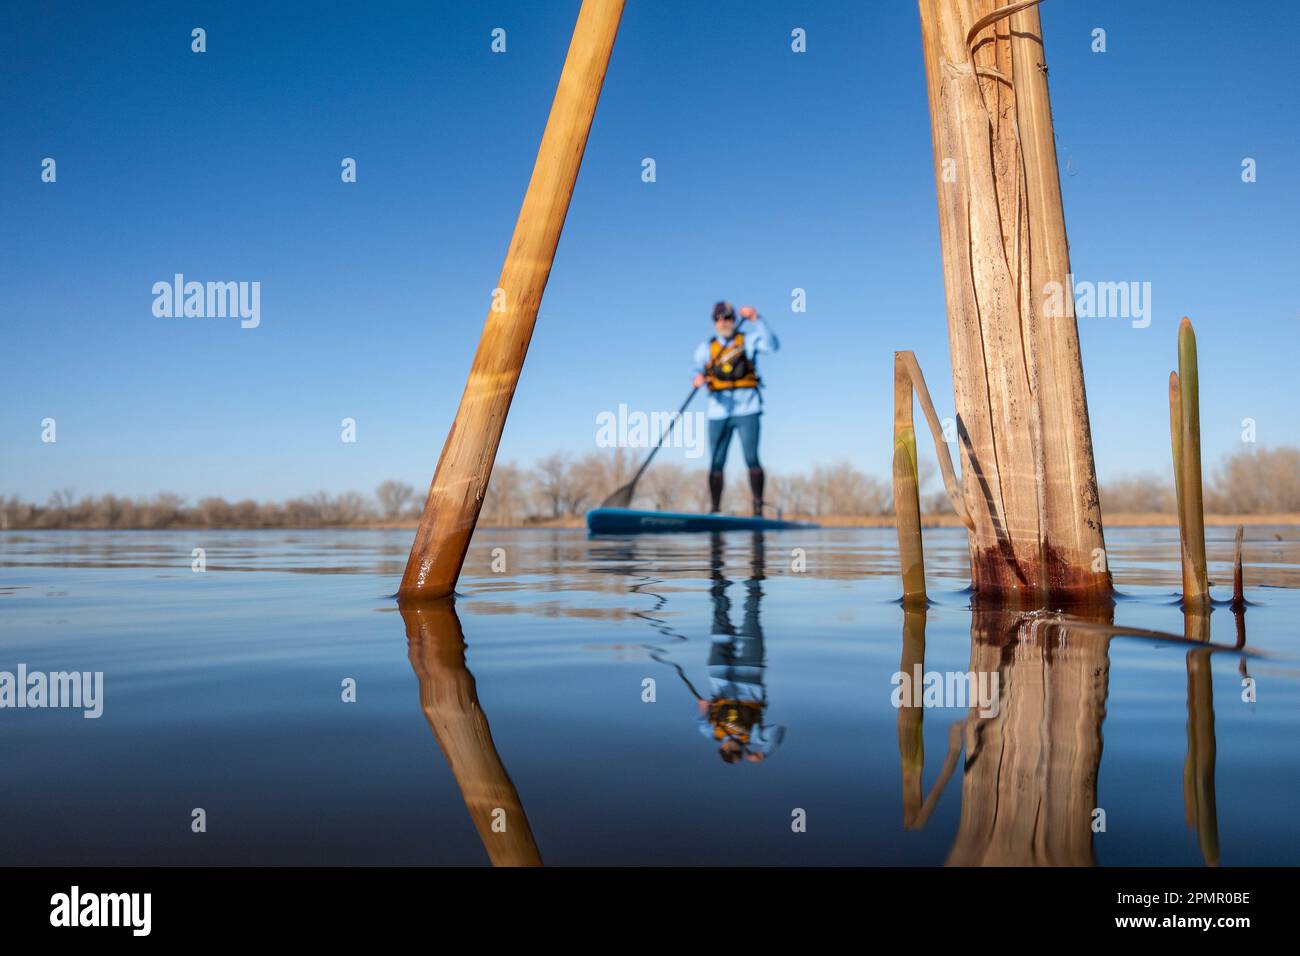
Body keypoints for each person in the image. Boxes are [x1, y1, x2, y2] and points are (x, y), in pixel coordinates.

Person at [691, 301, 779, 515]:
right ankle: (715, 510)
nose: (723, 322)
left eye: (727, 317)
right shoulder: (706, 348)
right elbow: (694, 370)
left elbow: (772, 346)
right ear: (714, 321)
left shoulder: (747, 341)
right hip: (718, 412)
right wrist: (697, 377)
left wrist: (757, 319)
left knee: (751, 458)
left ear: (733, 319)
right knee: (716, 461)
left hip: (748, 409)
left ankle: (757, 509)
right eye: (718, 318)